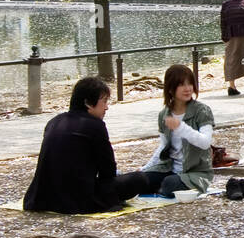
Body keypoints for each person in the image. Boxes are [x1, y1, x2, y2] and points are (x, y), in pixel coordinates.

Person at [23, 77, 153, 213]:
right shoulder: (95, 126)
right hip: (78, 199)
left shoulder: (54, 121)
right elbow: (107, 170)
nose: (106, 107)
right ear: (88, 103)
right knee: (139, 179)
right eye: (104, 101)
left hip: (42, 197)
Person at [141, 64, 215, 196]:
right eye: (181, 85)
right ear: (170, 88)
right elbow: (162, 147)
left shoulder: (202, 110)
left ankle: (165, 187)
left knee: (169, 184)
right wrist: (145, 169)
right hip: (169, 168)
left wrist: (181, 128)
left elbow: (205, 143)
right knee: (140, 181)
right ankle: (160, 186)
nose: (187, 89)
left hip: (196, 172)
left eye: (190, 84)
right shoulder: (164, 114)